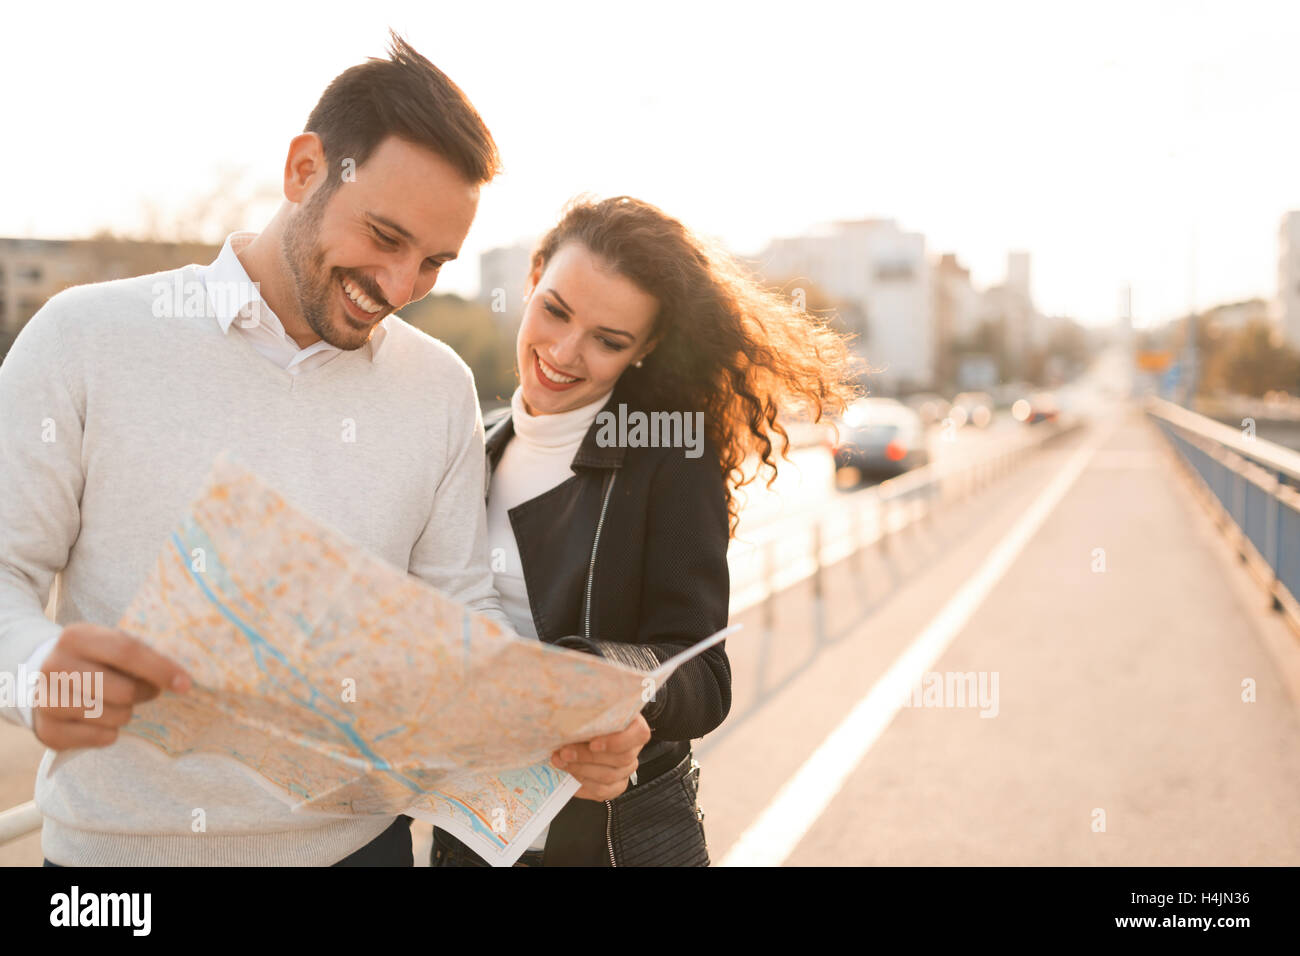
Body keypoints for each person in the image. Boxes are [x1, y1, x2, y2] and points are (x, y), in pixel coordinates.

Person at [0, 33, 639, 867]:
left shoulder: (437, 384)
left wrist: (559, 724)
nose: (401, 287)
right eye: (384, 235)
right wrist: (40, 670)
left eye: (435, 262)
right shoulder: (83, 339)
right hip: (120, 865)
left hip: (364, 851)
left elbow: (459, 613)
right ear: (305, 169)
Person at [431, 196, 860, 866]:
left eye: (609, 340)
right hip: (471, 840)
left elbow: (705, 672)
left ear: (647, 347)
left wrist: (607, 683)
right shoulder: (470, 453)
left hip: (620, 843)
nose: (564, 353)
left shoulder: (672, 457)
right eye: (555, 310)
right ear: (534, 275)